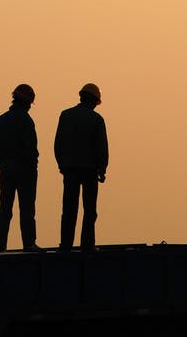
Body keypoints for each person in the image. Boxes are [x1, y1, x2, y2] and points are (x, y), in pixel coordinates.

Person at [0, 84, 44, 252]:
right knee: (26, 207)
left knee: (5, 206)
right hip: (24, 170)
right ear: (27, 103)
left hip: (6, 168)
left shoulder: (1, 120)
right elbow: (31, 149)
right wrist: (32, 167)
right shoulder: (26, 121)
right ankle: (29, 243)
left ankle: (1, 243)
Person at [54, 83, 108, 252]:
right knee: (90, 210)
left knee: (69, 209)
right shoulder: (96, 120)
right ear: (94, 101)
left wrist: (62, 164)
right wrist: (102, 169)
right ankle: (87, 244)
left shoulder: (66, 115)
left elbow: (58, 144)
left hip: (70, 169)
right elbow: (101, 147)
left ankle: (66, 245)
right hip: (89, 170)